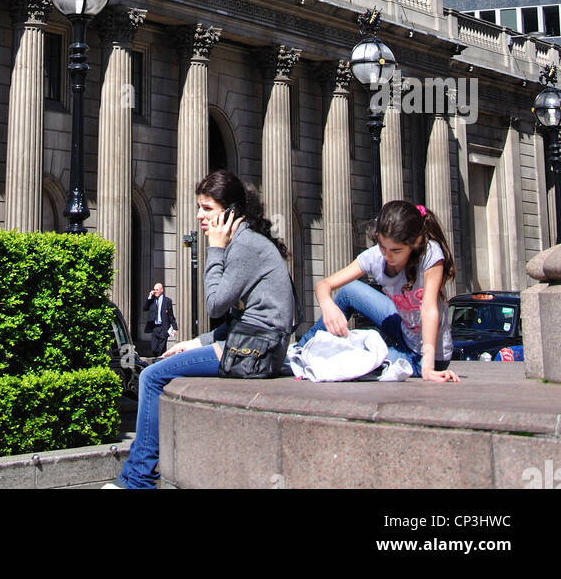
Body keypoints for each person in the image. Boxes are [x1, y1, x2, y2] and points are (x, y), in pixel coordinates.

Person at [105, 171, 294, 490]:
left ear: (229, 212)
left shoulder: (244, 245)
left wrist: (215, 249)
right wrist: (194, 343)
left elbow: (215, 306)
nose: (199, 215)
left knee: (150, 378)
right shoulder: (247, 241)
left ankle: (137, 481)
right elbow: (238, 321)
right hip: (253, 346)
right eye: (199, 207)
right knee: (163, 368)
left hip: (256, 353)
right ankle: (136, 477)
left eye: (207, 208)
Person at [298, 200, 460, 383]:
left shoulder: (430, 254)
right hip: (403, 329)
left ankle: (313, 357)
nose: (387, 256)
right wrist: (327, 305)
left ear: (414, 243)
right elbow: (324, 285)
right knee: (349, 291)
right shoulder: (376, 256)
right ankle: (302, 349)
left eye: (396, 250)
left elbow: (429, 309)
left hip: (426, 355)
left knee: (353, 357)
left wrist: (428, 367)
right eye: (383, 247)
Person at [144, 282, 178, 359]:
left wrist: (175, 328)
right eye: (154, 290)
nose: (155, 291)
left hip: (163, 327)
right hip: (155, 327)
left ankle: (159, 362)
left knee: (161, 349)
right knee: (154, 348)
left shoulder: (167, 301)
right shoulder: (152, 300)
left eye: (157, 290)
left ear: (161, 290)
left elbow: (171, 315)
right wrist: (149, 297)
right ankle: (157, 359)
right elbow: (145, 308)